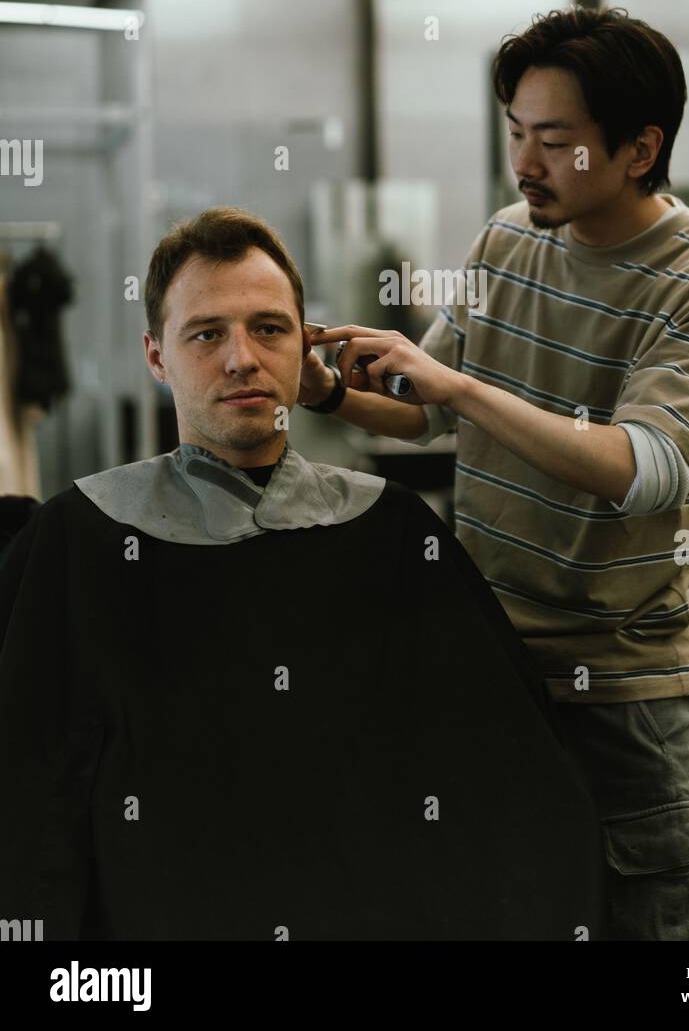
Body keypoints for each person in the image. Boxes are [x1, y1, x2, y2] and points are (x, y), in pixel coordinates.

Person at [0, 206, 603, 942]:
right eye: (206, 333)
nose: (241, 358)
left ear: (306, 348)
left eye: (269, 329)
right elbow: (29, 806)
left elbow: (504, 785)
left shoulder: (391, 533)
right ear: (156, 357)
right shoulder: (74, 543)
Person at [303, 6, 689, 941]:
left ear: (640, 149)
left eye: (555, 142)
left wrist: (461, 390)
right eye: (516, 133)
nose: (524, 163)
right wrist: (329, 395)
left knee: (669, 929)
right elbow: (423, 409)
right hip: (489, 659)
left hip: (622, 683)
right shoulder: (508, 241)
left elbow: (646, 470)